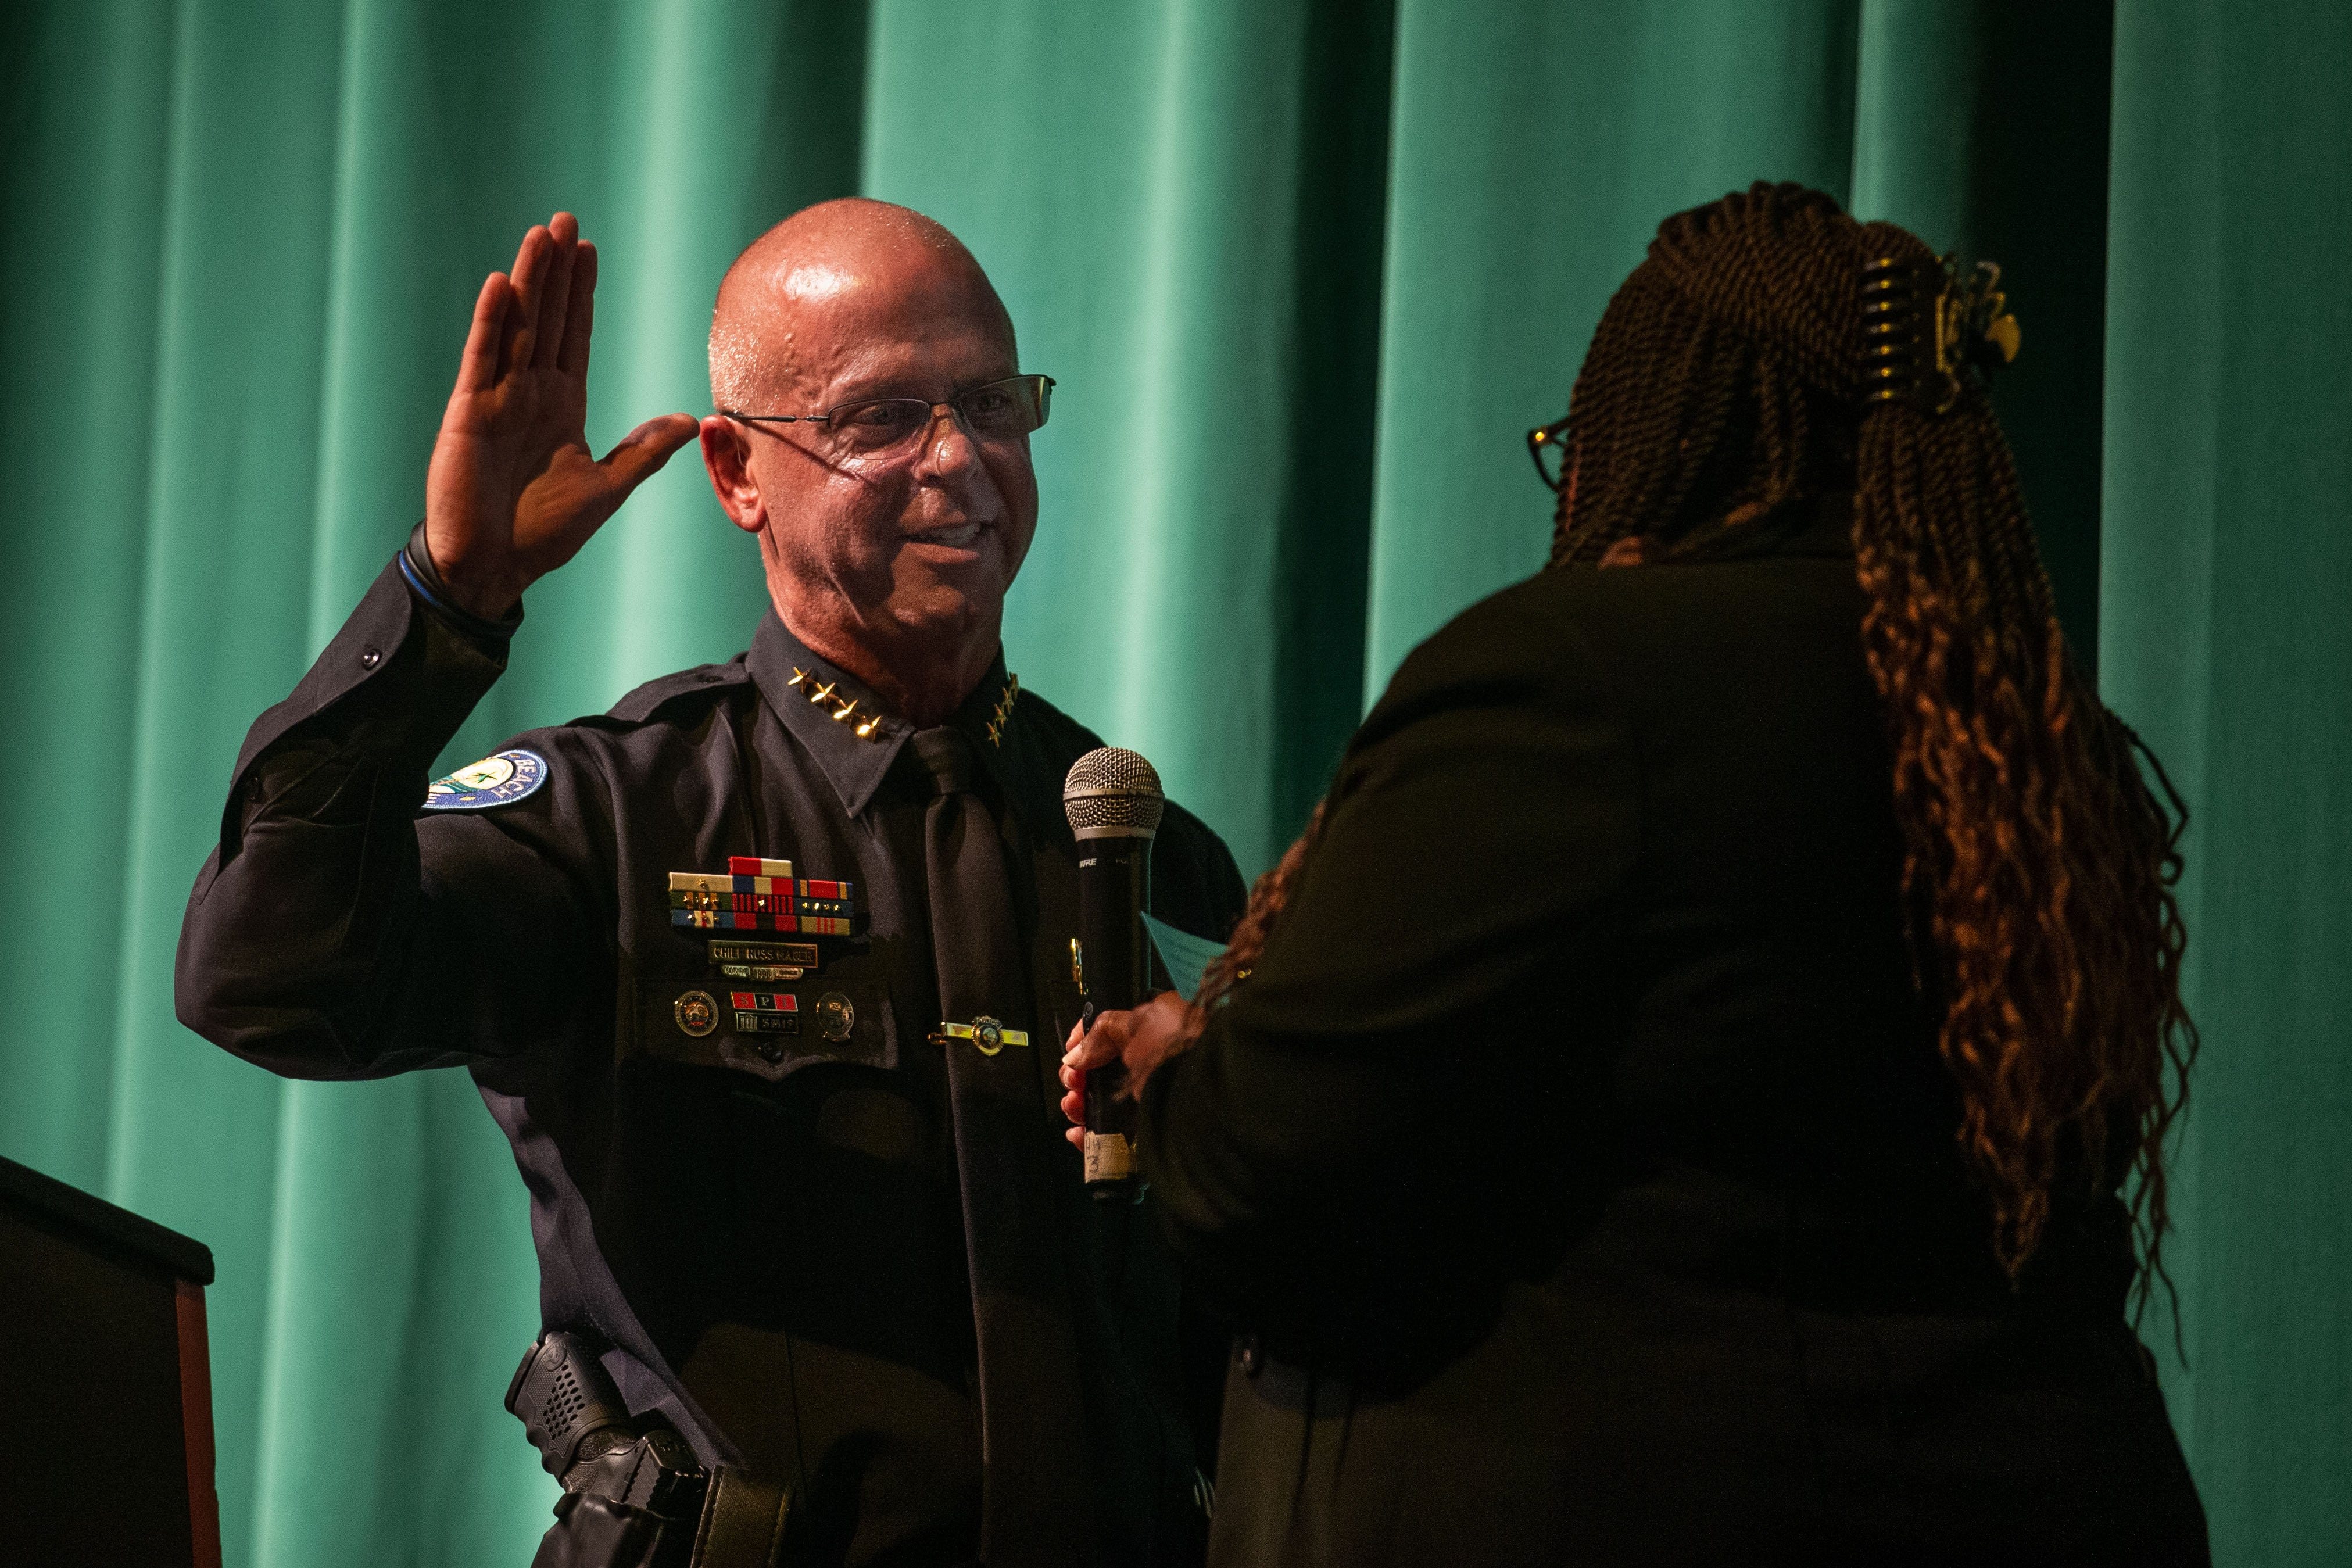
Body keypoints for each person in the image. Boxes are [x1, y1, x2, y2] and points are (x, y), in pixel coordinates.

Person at [1062, 184, 2209, 1567]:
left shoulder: (1574, 680)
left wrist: (1185, 1063)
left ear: (1658, 432)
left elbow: (1262, 1178)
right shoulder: (2016, 730)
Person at [177, 199, 1243, 1566]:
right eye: (881, 418)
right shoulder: (610, 815)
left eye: (990, 400)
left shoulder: (1135, 841)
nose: (960, 458)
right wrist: (446, 604)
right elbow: (266, 986)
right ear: (739, 470)